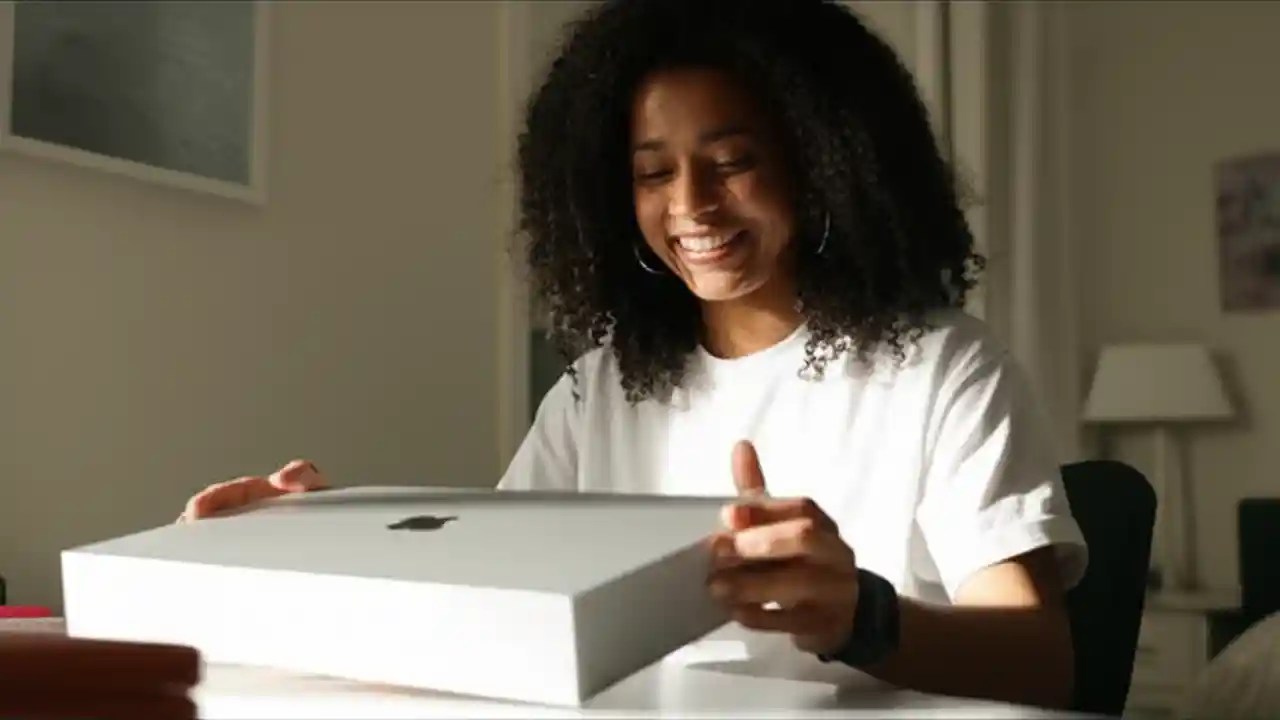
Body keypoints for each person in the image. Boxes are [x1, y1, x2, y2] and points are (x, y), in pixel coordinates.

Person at [179, 0, 1087, 710]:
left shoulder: (942, 370)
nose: (690, 204)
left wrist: (863, 616)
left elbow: (1044, 662)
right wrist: (328, 534)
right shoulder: (602, 383)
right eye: (653, 173)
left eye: (731, 161)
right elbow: (490, 593)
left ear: (825, 166)